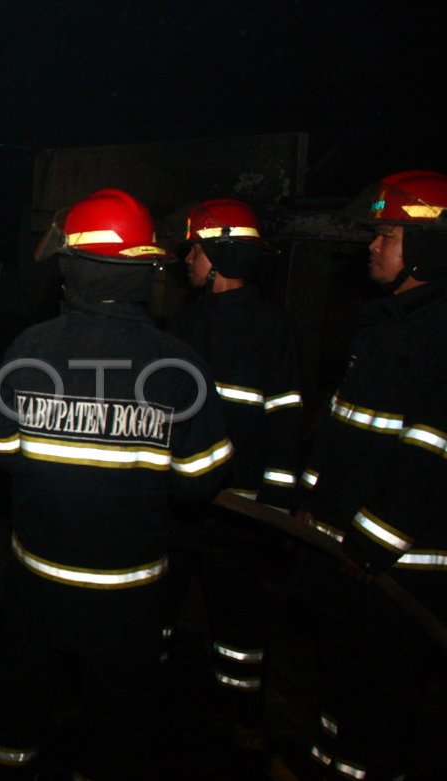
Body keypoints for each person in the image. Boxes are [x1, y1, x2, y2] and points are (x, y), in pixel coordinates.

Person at [0, 188, 233, 779]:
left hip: (37, 583)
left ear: (71, 267)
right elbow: (200, 481)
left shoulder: (29, 350)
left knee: (17, 706)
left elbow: (1, 453)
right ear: (147, 270)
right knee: (116, 723)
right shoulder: (178, 364)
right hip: (129, 598)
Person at [289, 170, 447, 780]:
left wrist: (373, 540)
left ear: (430, 246)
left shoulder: (439, 333)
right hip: (345, 551)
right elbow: (343, 429)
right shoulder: (384, 323)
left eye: (386, 235)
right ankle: (329, 764)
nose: (372, 247)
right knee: (339, 682)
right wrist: (310, 502)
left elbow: (432, 455)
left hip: (397, 568)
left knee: (381, 699)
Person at [162, 198, 304, 753]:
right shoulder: (186, 322)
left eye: (194, 249)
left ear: (217, 255)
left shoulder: (270, 328)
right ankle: (158, 706)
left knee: (238, 626)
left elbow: (286, 422)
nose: (187, 260)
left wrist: (275, 504)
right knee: (161, 612)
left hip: (237, 514)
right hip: (182, 504)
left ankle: (239, 718)